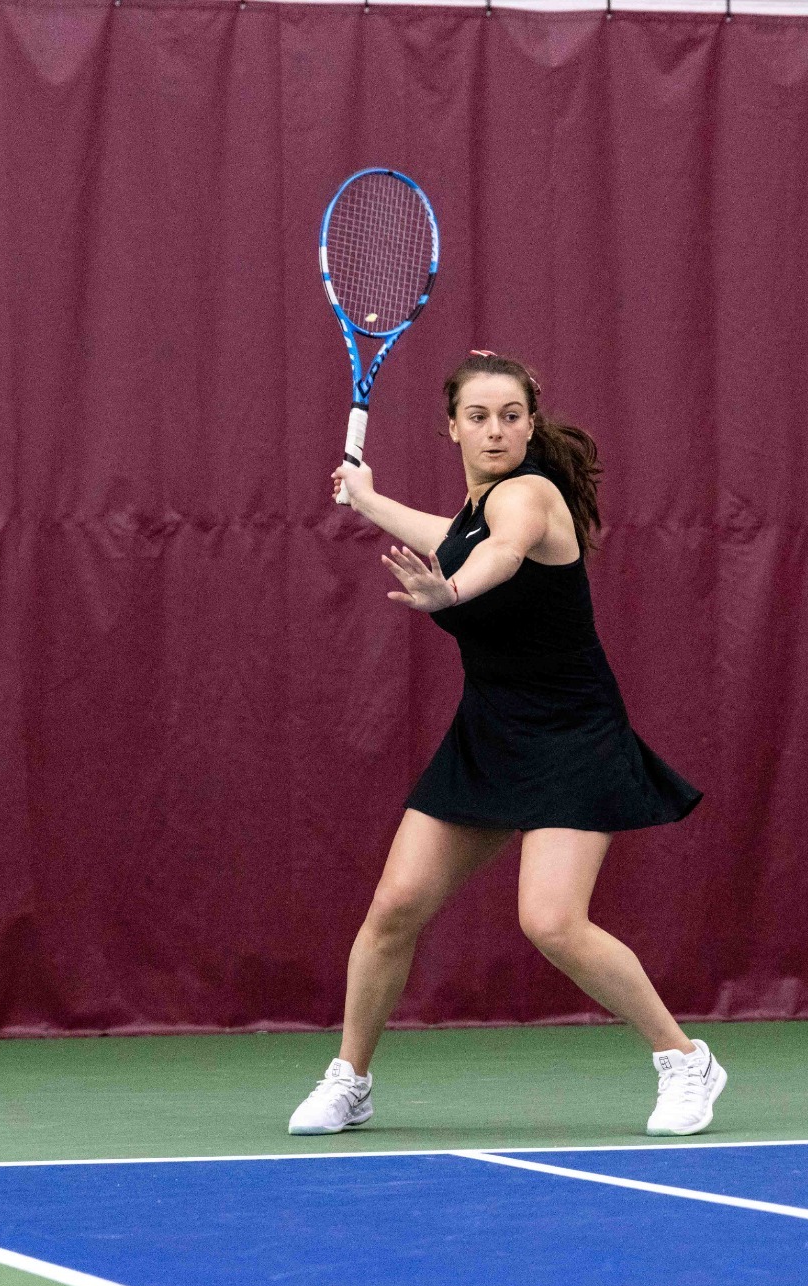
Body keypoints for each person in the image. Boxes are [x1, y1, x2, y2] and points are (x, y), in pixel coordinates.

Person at [288, 351, 723, 1138]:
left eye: (511, 416)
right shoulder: (474, 505)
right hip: (491, 733)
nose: (496, 430)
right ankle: (350, 1078)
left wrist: (448, 592)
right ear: (451, 426)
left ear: (531, 423)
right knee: (394, 907)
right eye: (479, 416)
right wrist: (372, 500)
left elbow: (497, 553)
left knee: (552, 921)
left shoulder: (529, 495)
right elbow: (454, 536)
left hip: (573, 737)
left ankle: (685, 1058)